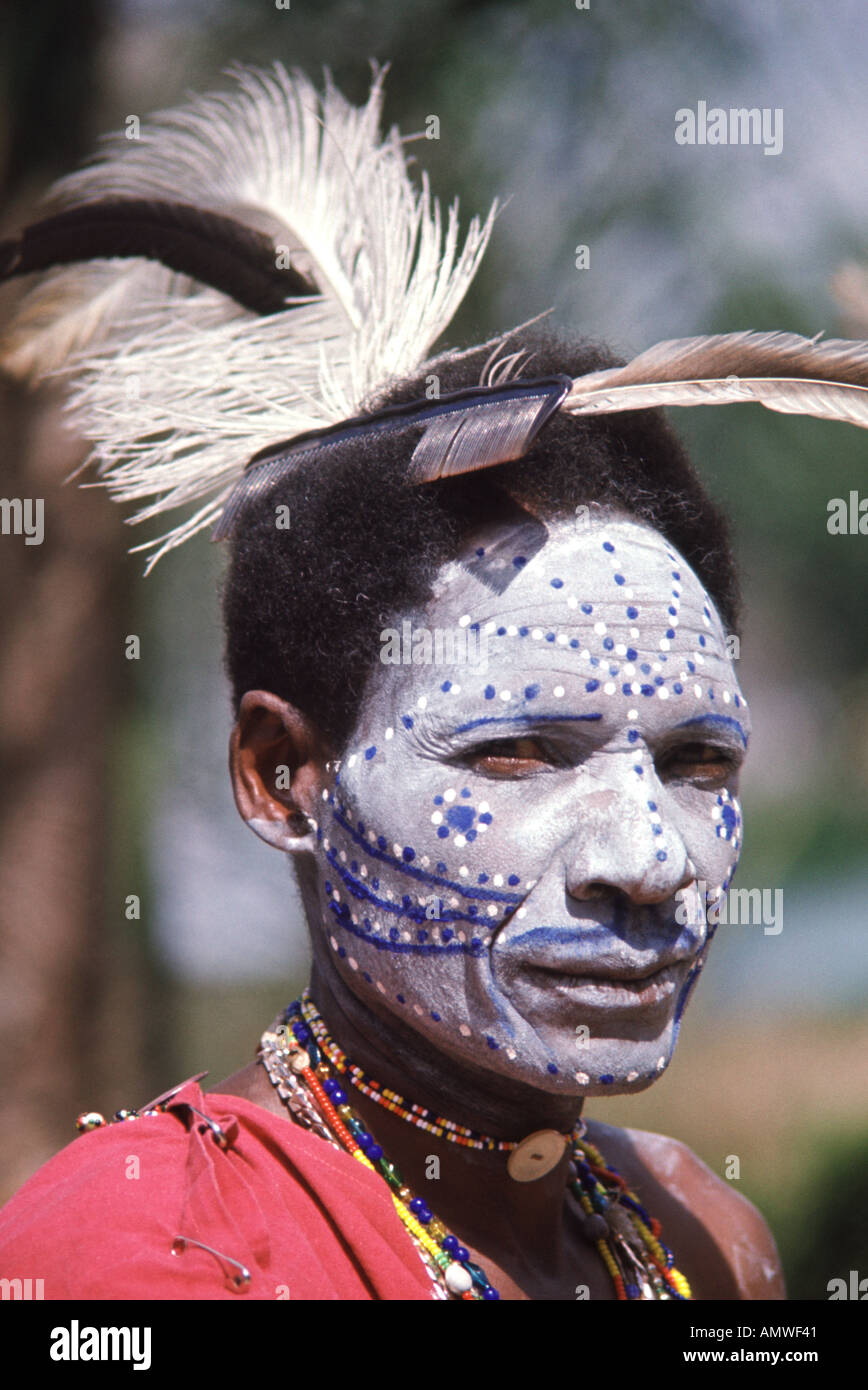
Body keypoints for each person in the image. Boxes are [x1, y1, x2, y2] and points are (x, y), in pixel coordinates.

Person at [0, 66, 864, 1302]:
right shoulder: (144, 1256)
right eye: (517, 751)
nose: (651, 859)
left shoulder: (703, 1243)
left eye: (696, 762)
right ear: (281, 776)